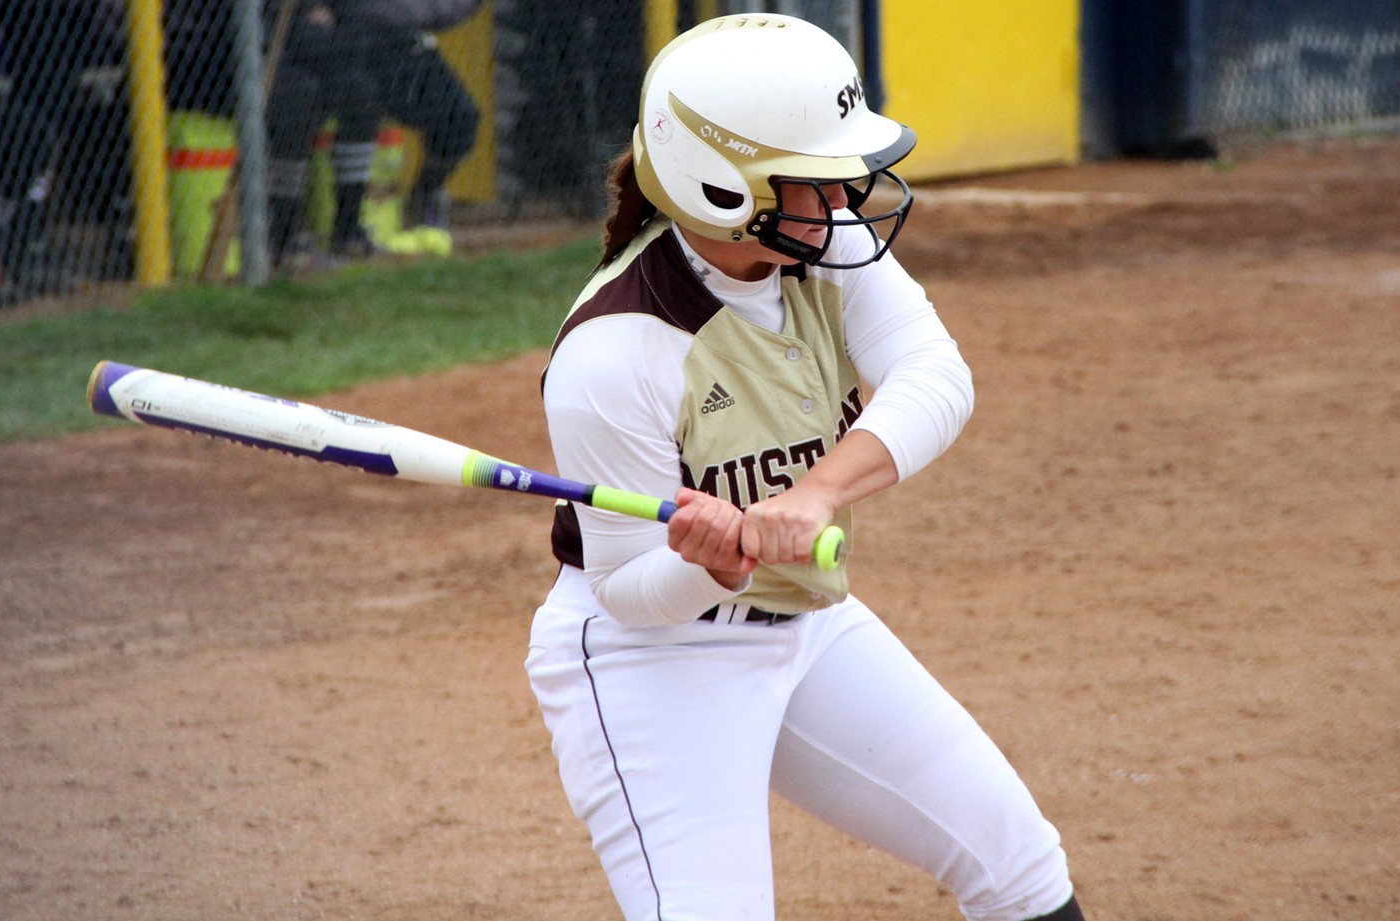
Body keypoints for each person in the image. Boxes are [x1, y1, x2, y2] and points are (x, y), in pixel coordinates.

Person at [526, 15, 1086, 921]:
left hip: (809, 621)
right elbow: (627, 587)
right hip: (651, 660)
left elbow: (936, 376)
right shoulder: (615, 351)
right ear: (722, 190)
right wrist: (708, 564)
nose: (843, 198)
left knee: (1019, 866)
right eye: (813, 177)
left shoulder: (823, 246)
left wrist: (815, 493)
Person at [263, 0, 481, 263]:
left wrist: (416, 14)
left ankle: (424, 195)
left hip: (386, 35)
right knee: (315, 95)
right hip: (327, 32)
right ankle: (288, 236)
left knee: (460, 116)